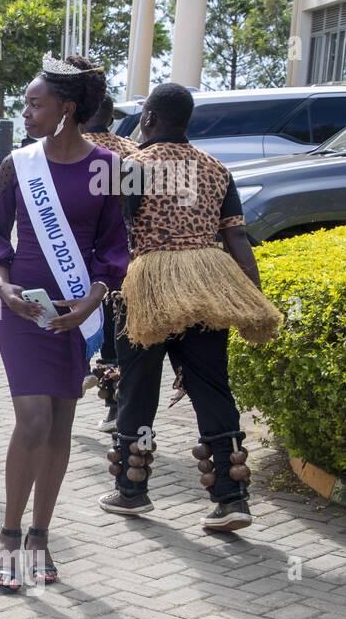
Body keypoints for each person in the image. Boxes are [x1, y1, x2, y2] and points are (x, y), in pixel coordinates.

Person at [98, 83, 281, 533]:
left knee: (139, 386)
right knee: (211, 387)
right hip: (207, 283)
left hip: (148, 286)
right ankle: (231, 498)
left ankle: (131, 491)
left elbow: (115, 235)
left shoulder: (133, 167)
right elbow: (236, 237)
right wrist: (253, 297)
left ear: (149, 119)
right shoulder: (217, 169)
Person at [0, 55, 129, 592]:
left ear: (67, 109)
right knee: (34, 420)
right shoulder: (18, 164)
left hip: (77, 312)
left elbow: (114, 249)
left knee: (62, 425)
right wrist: (1, 284)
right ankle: (8, 535)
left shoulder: (106, 167)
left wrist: (91, 305)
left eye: (34, 103)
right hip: (21, 307)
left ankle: (41, 535)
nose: (25, 112)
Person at [81, 96, 138, 432]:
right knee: (117, 335)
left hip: (82, 256)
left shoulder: (73, 150)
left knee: (86, 322)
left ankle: (82, 374)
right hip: (121, 256)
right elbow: (133, 210)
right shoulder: (130, 151)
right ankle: (115, 408)